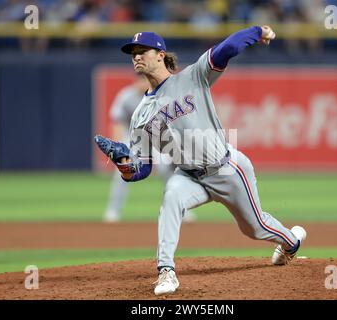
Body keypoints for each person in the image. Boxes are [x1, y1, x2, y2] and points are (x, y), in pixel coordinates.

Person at [94, 25, 307, 296]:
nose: (136, 56)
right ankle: (166, 271)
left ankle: (292, 241)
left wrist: (258, 31)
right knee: (171, 197)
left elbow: (227, 49)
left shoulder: (192, 77)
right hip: (188, 176)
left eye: (142, 51)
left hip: (227, 169)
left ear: (160, 55)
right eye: (132, 53)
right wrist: (124, 165)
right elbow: (143, 168)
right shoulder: (139, 116)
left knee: (255, 228)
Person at [103, 76, 197, 223]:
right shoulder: (126, 96)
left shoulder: (161, 96)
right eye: (141, 80)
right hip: (134, 137)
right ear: (136, 81)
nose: (144, 83)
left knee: (167, 171)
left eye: (146, 80)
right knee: (122, 171)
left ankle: (183, 209)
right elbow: (117, 121)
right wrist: (118, 146)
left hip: (157, 136)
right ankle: (113, 211)